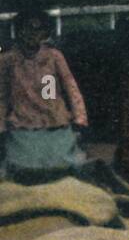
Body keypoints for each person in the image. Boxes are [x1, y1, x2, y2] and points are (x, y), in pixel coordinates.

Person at [0, 10, 89, 182]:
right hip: (22, 129)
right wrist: (1, 127)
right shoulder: (7, 61)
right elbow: (1, 97)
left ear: (44, 32)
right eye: (26, 28)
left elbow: (71, 88)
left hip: (57, 126)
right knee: (21, 174)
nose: (31, 33)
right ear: (18, 31)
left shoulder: (54, 57)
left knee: (66, 172)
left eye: (37, 29)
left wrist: (80, 119)